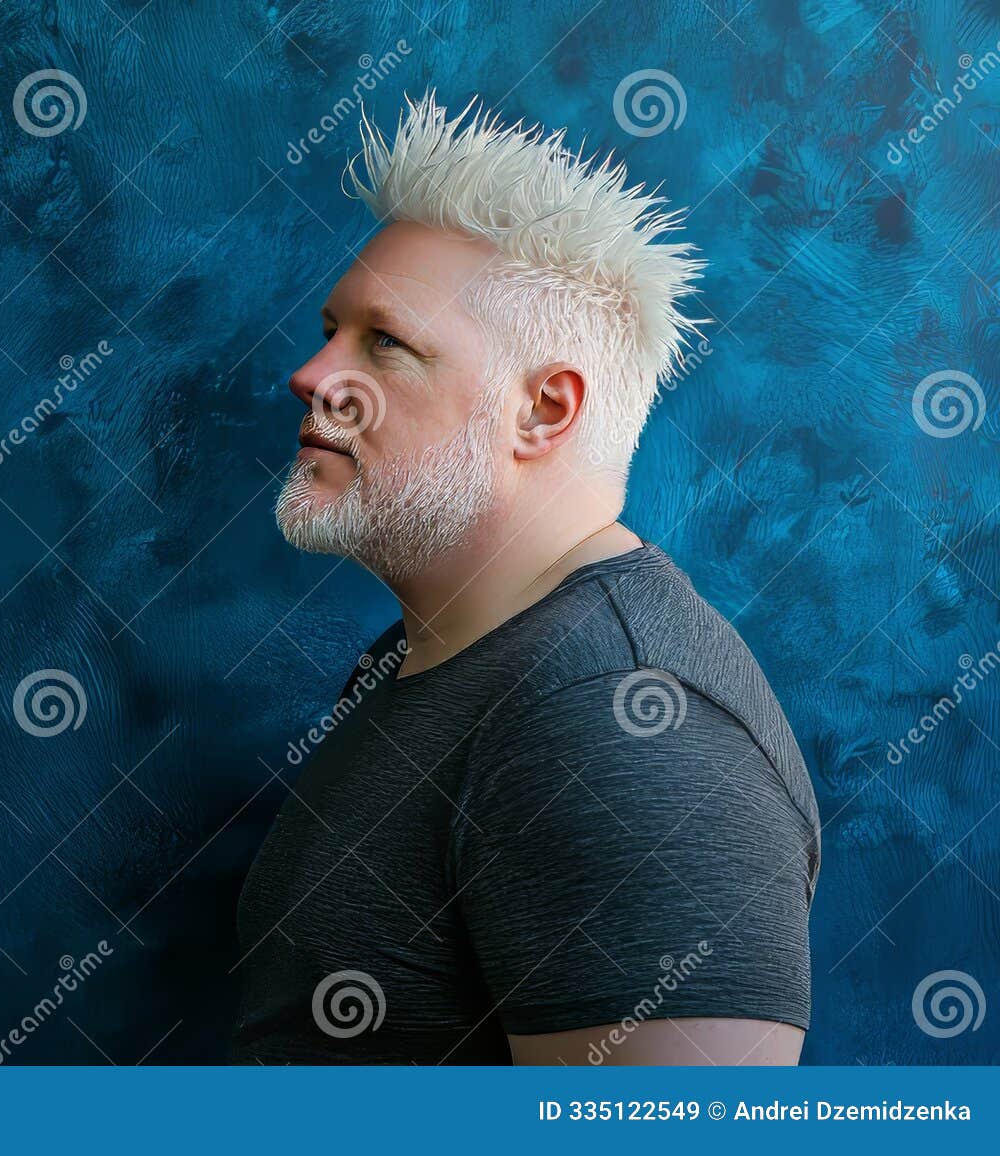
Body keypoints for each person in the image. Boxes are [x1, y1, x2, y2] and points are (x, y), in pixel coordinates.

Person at [233, 92, 820, 1065]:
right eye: (331, 329)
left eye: (384, 341)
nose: (312, 373)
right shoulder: (434, 659)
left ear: (544, 410)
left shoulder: (621, 728)